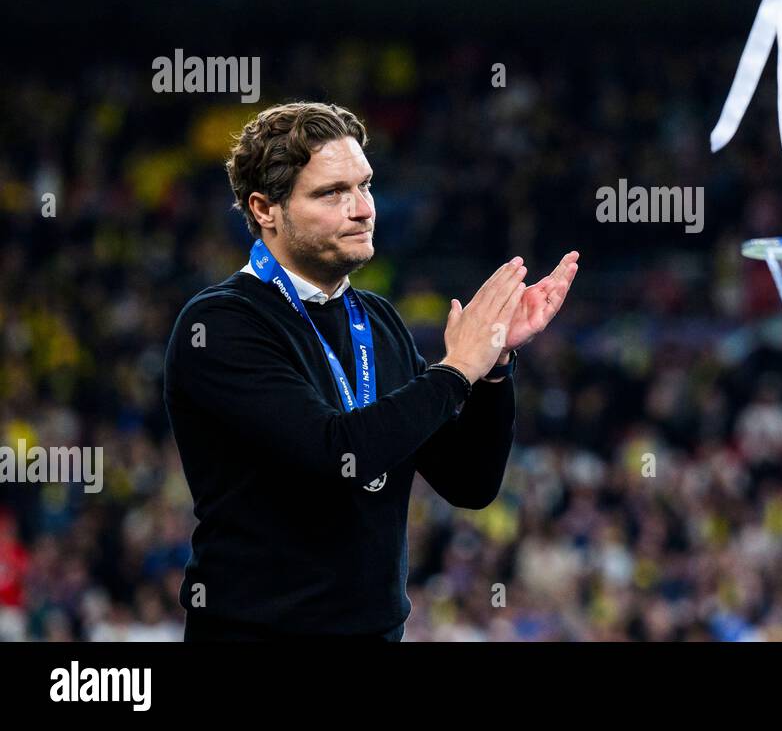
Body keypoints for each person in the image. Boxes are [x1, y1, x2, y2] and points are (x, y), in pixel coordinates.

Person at [163, 102, 578, 640]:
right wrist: (455, 371)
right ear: (266, 209)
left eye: (365, 186)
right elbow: (337, 454)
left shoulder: (377, 319)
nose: (362, 209)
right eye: (332, 192)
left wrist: (493, 368)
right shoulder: (220, 325)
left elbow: (469, 483)